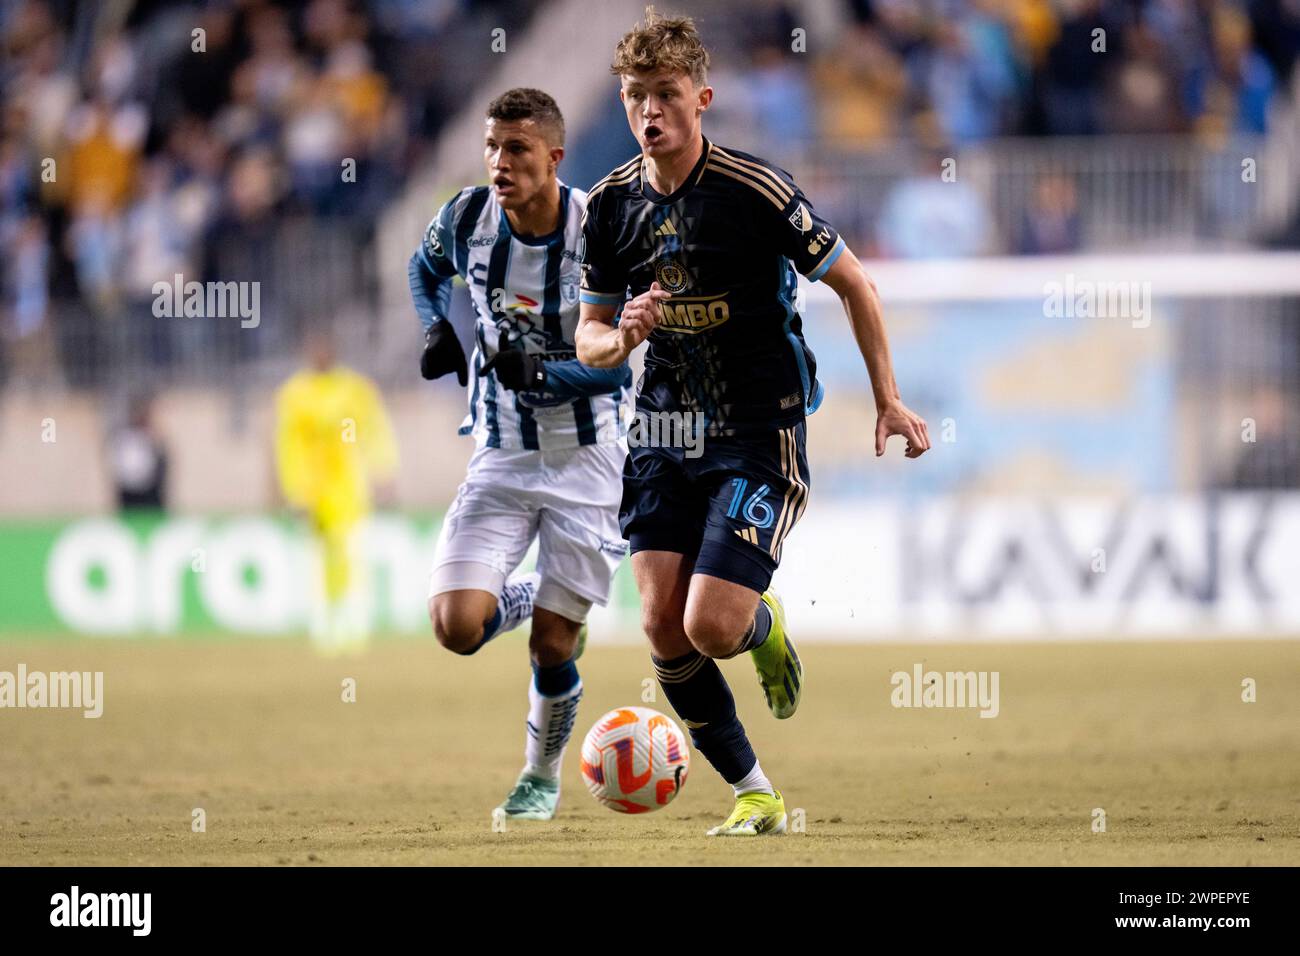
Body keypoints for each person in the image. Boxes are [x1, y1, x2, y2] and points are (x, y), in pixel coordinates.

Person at [576, 8, 930, 836]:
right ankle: (757, 792)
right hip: (662, 430)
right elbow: (589, 337)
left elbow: (857, 286)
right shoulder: (609, 207)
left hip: (754, 428)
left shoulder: (755, 191)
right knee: (663, 626)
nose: (649, 112)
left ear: (701, 97)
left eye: (665, 94)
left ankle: (762, 627)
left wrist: (886, 397)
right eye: (635, 97)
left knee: (713, 623)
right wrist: (619, 334)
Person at [410, 88, 632, 820]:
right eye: (492, 148)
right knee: (456, 626)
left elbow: (621, 362)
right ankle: (532, 593)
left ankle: (539, 777)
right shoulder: (466, 217)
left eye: (517, 151)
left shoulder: (598, 230)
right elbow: (424, 270)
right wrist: (434, 330)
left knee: (553, 648)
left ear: (554, 158)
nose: (499, 164)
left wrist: (548, 372)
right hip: (502, 456)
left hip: (589, 457)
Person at [274, 329, 398, 655]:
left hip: (349, 487)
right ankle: (324, 626)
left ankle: (354, 626)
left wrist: (383, 471)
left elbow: (375, 429)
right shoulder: (294, 394)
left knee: (353, 555)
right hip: (312, 489)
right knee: (318, 560)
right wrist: (292, 490)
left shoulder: (355, 389)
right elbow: (287, 446)